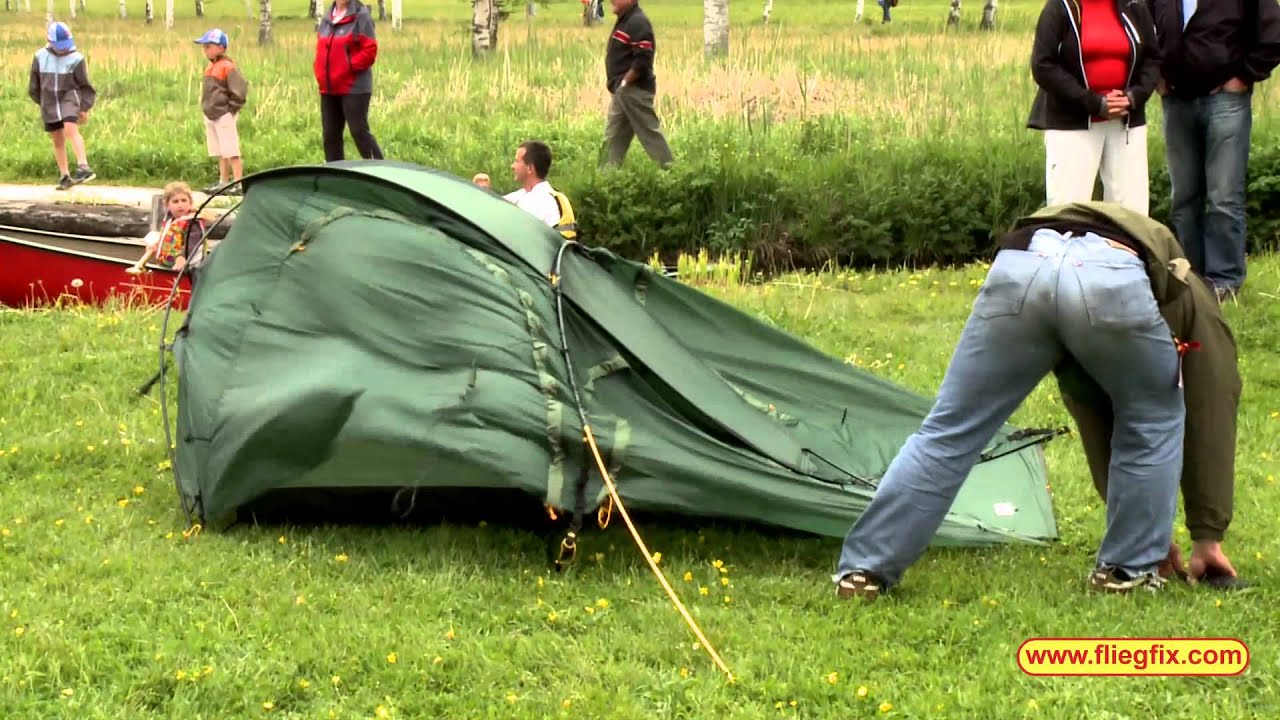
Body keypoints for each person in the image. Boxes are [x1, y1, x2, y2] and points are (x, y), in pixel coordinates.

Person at [834, 204, 1187, 599]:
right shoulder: (1177, 271)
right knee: (1153, 419)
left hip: (1021, 263)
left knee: (949, 431)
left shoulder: (1064, 214)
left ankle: (864, 569)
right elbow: (1214, 378)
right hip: (1112, 275)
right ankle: (1127, 570)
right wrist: (1209, 534)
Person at [1012, 202, 1245, 588]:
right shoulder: (1193, 309)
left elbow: (1091, 413)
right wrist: (1208, 538)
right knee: (1155, 412)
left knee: (1101, 401)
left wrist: (1147, 536)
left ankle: (1134, 553)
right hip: (1087, 266)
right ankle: (1135, 556)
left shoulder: (1185, 304)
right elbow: (1211, 420)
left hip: (1030, 264)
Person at [1148, 0, 1280, 303]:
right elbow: (1143, 30)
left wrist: (1244, 75)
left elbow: (1274, 34)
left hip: (1225, 101)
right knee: (1183, 196)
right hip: (1176, 101)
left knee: (1223, 196)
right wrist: (1156, 78)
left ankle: (1224, 280)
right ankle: (1190, 276)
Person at [1027, 0, 1161, 215]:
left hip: (1126, 123)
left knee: (1132, 214)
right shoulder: (1060, 7)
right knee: (1067, 211)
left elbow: (1153, 58)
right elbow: (1043, 65)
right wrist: (1094, 103)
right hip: (1072, 123)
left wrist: (1134, 97)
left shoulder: (1134, 5)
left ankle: (1124, 250)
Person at [602, 0, 673, 168]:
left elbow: (643, 59)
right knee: (613, 136)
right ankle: (605, 180)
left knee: (649, 132)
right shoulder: (625, 20)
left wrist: (625, 83)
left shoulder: (637, 22)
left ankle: (671, 172)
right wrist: (620, 88)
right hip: (623, 92)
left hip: (634, 91)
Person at [27, 21, 96, 191]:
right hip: (49, 101)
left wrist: (84, 107)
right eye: (60, 46)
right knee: (57, 139)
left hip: (69, 97)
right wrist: (40, 100)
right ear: (49, 42)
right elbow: (34, 84)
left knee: (70, 128)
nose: (64, 49)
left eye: (66, 45)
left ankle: (83, 167)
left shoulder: (76, 58)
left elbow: (85, 85)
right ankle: (65, 176)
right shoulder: (40, 57)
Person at [315, 0, 383, 162]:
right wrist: (319, 72)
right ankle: (335, 177)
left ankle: (381, 170)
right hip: (329, 88)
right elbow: (322, 48)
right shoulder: (327, 18)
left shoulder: (361, 15)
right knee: (330, 136)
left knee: (359, 132)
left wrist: (348, 66)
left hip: (354, 87)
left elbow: (370, 50)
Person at [475, 142, 580, 240]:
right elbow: (497, 203)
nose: (512, 166)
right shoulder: (527, 194)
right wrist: (481, 192)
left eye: (517, 161)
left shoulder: (541, 201)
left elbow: (506, 233)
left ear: (530, 168)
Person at [194, 28, 249, 194]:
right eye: (204, 47)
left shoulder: (227, 66)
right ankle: (223, 181)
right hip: (211, 114)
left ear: (221, 48)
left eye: (208, 46)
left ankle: (238, 182)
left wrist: (230, 110)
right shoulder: (210, 67)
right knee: (220, 151)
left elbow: (239, 91)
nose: (205, 50)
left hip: (223, 114)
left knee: (231, 150)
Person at [126, 182, 207, 275]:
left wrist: (182, 257)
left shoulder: (193, 223)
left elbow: (192, 243)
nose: (180, 205)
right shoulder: (170, 221)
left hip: (189, 269)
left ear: (190, 203)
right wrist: (157, 244)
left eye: (184, 200)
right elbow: (169, 239)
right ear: (167, 205)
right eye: (175, 201)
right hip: (169, 266)